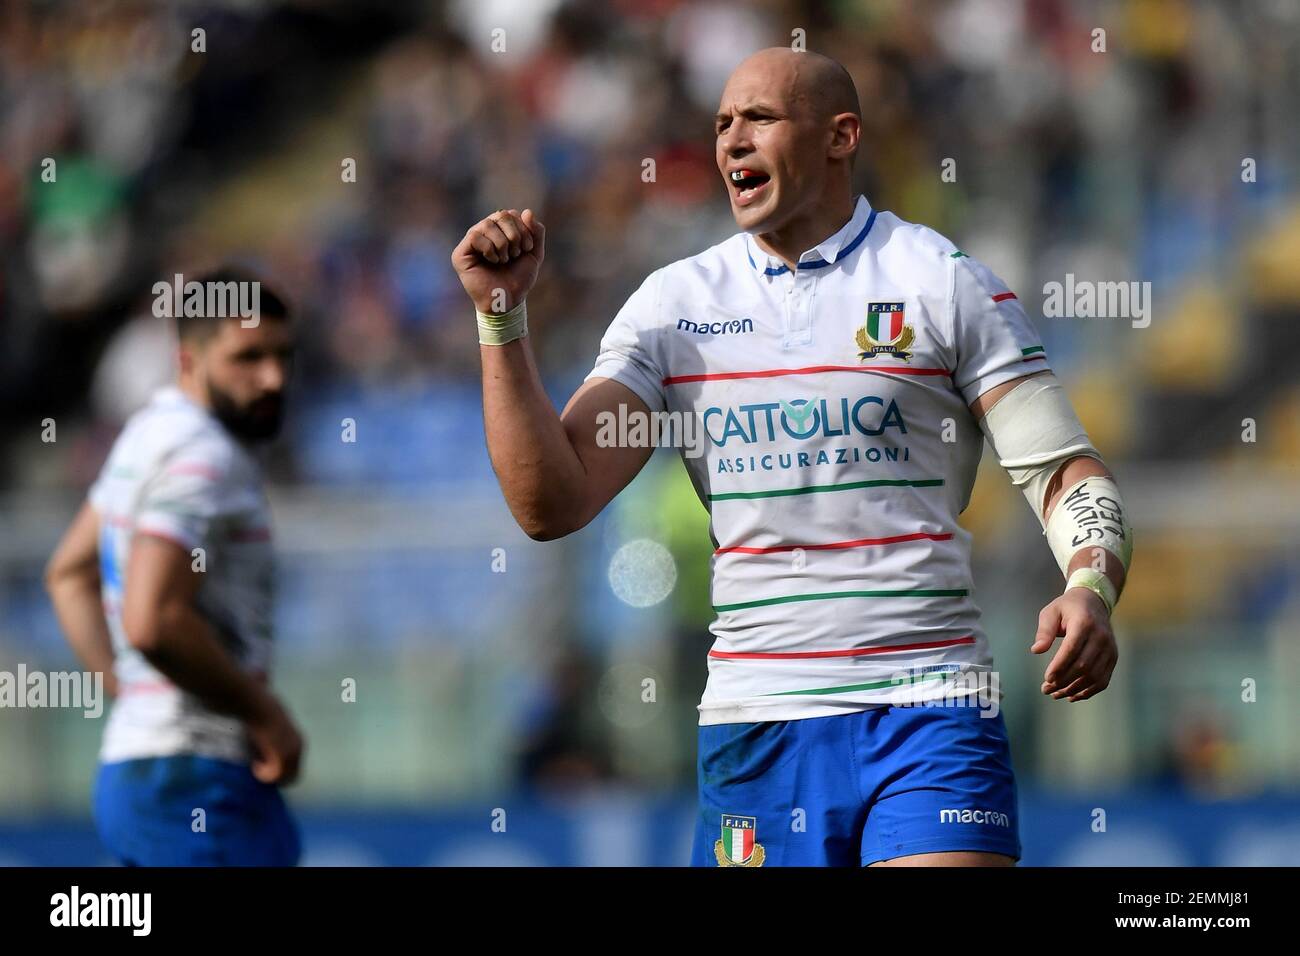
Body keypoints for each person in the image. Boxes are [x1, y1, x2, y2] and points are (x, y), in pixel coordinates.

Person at [451, 47, 1133, 867]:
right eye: (722, 124)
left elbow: (1063, 471)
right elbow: (548, 504)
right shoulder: (675, 308)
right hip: (758, 723)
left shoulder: (942, 282)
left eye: (760, 119)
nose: (732, 140)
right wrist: (500, 320)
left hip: (931, 705)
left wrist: (1090, 584)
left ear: (840, 135)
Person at [45, 267, 304, 866]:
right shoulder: (202, 457)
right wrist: (266, 714)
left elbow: (69, 575)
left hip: (147, 772)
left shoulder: (146, 437)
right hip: (196, 781)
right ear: (189, 358)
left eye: (284, 356)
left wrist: (135, 696)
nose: (274, 378)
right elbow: (152, 620)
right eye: (249, 357)